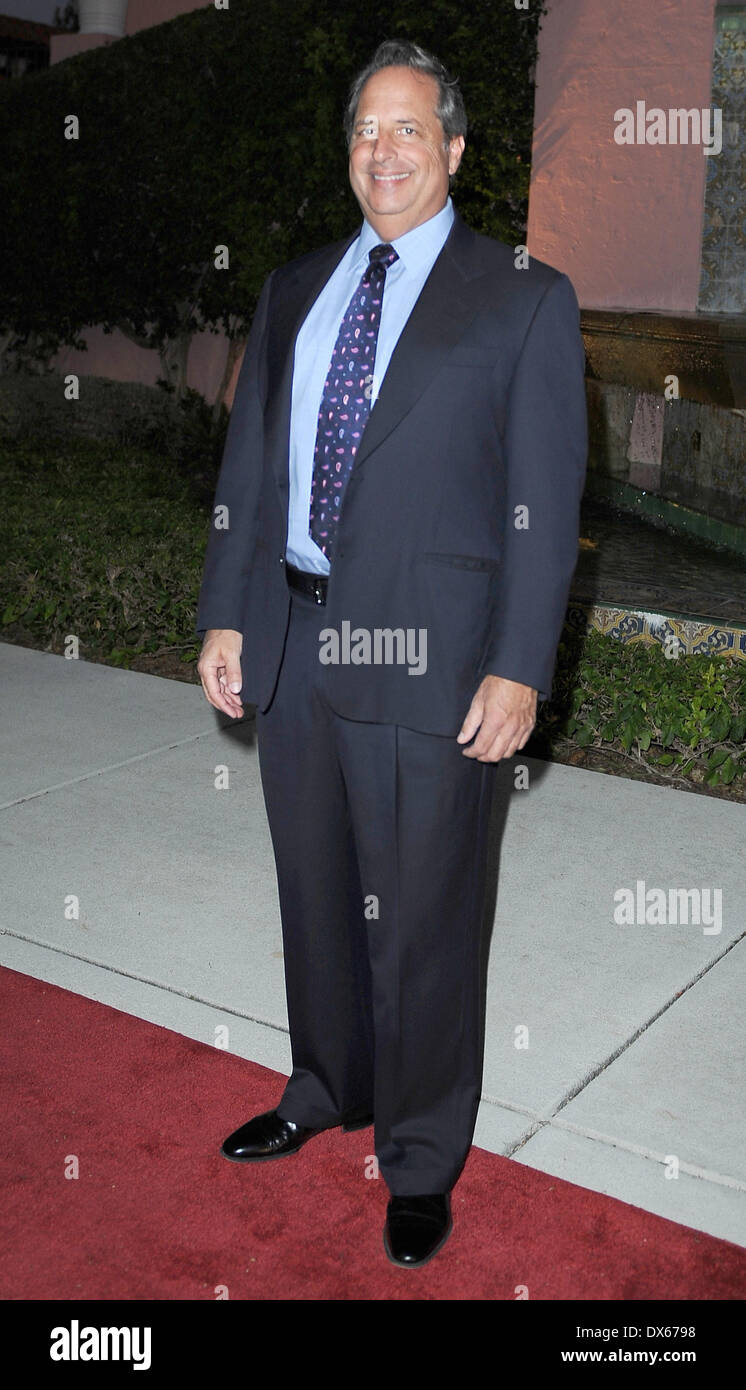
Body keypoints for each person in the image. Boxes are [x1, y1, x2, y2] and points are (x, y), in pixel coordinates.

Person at [196, 38, 587, 1268]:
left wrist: (521, 665)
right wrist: (224, 609)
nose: (384, 150)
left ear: (454, 150)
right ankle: (324, 1085)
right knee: (313, 889)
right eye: (367, 129)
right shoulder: (295, 286)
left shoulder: (522, 296)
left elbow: (544, 497)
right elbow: (250, 470)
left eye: (409, 128)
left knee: (422, 919)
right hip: (295, 635)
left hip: (432, 657)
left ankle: (418, 1156)